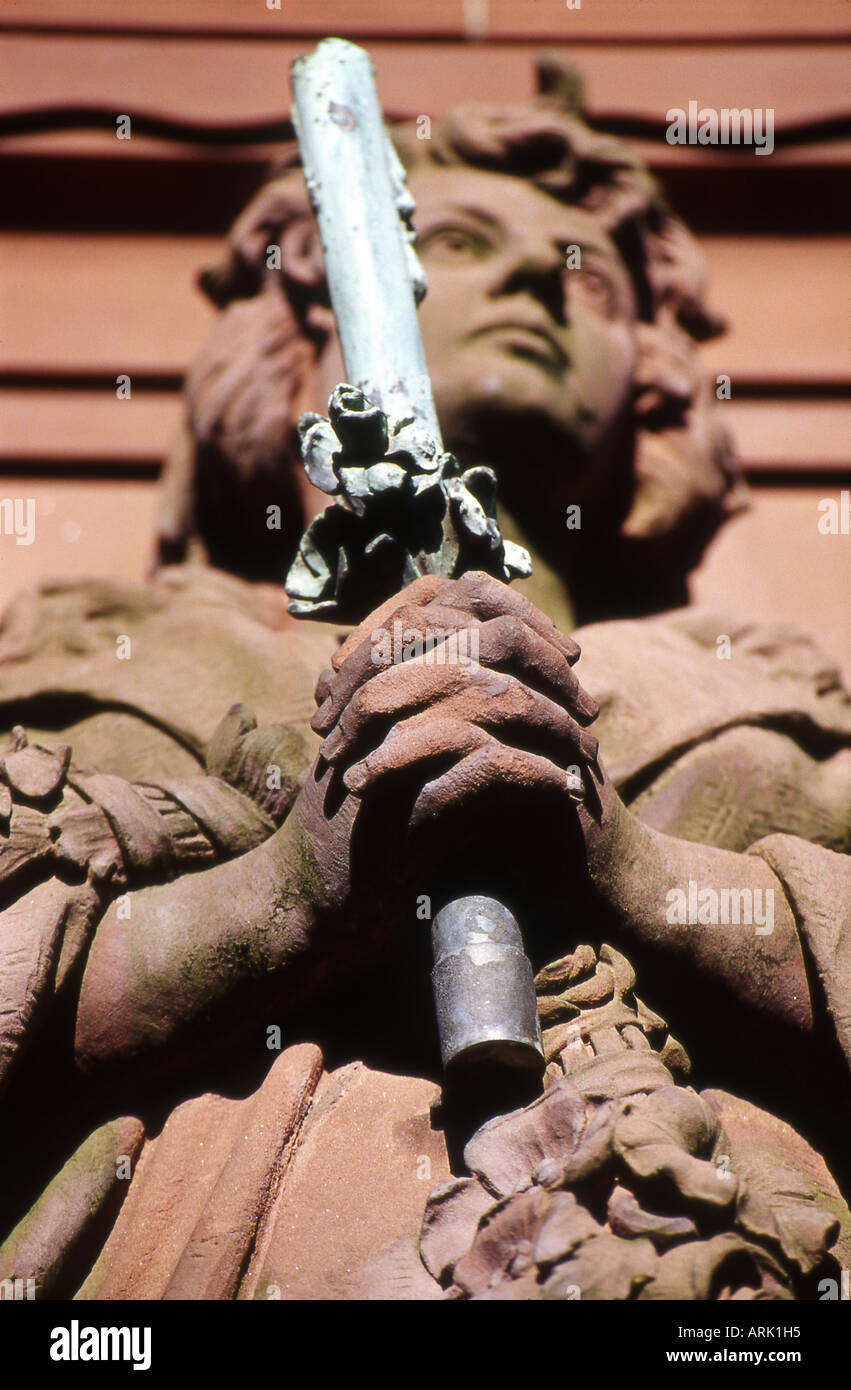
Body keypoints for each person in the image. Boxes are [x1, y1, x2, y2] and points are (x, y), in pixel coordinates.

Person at [0, 56, 848, 1301]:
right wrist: (279, 904)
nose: (525, 279)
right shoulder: (108, 649)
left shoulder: (788, 698)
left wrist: (646, 880)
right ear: (308, 323)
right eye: (454, 242)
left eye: (585, 275)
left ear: (652, 376)